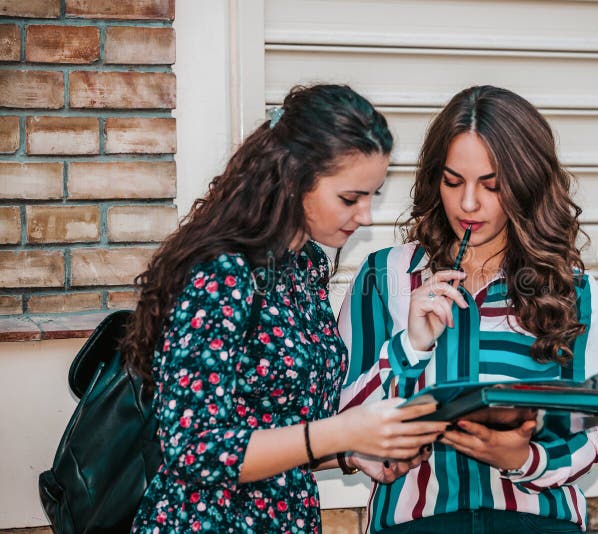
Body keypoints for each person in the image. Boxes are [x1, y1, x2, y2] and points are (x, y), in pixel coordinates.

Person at [121, 84, 448, 534]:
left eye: (373, 194)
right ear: (294, 179)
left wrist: (352, 454)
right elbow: (195, 449)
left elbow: (281, 429)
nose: (367, 215)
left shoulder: (303, 267)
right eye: (350, 198)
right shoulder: (222, 274)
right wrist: (342, 433)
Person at [338, 85, 598, 533]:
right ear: (434, 179)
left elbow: (586, 437)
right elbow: (339, 422)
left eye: (492, 185)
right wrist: (407, 346)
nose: (468, 203)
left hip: (535, 523)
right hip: (417, 523)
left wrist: (523, 458)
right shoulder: (381, 277)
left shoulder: (573, 289)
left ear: (525, 184)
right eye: (453, 182)